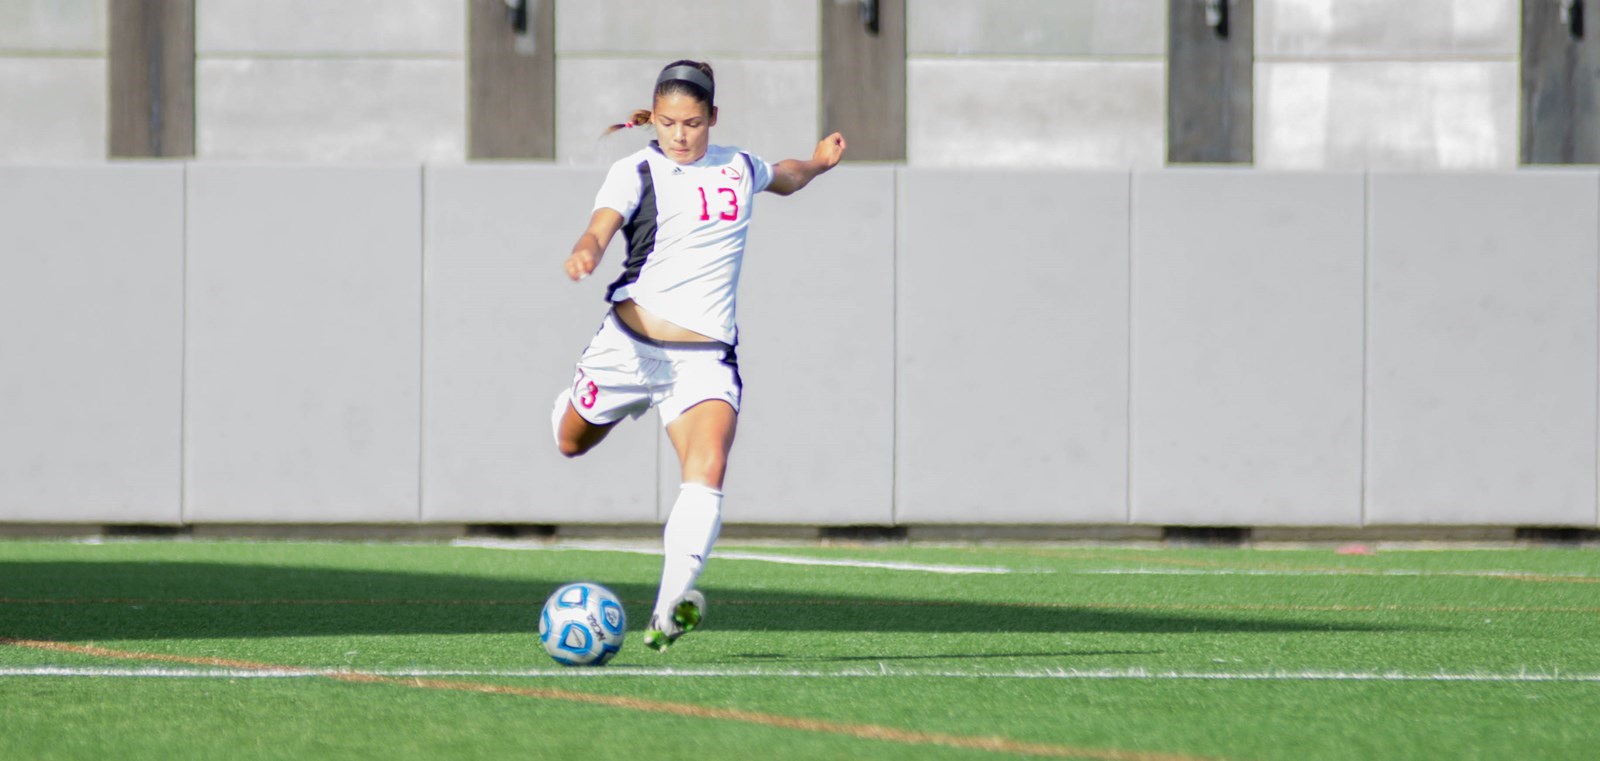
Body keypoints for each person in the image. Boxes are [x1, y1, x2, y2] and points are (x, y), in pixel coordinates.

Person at [553, 60, 846, 652]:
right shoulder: (636, 168)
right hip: (628, 352)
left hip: (704, 360)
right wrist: (585, 251)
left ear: (713, 118)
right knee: (570, 442)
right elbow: (600, 226)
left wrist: (816, 162)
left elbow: (783, 176)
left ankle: (668, 610)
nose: (679, 135)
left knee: (708, 465)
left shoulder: (737, 166)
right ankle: (570, 402)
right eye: (667, 122)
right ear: (653, 118)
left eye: (691, 122)